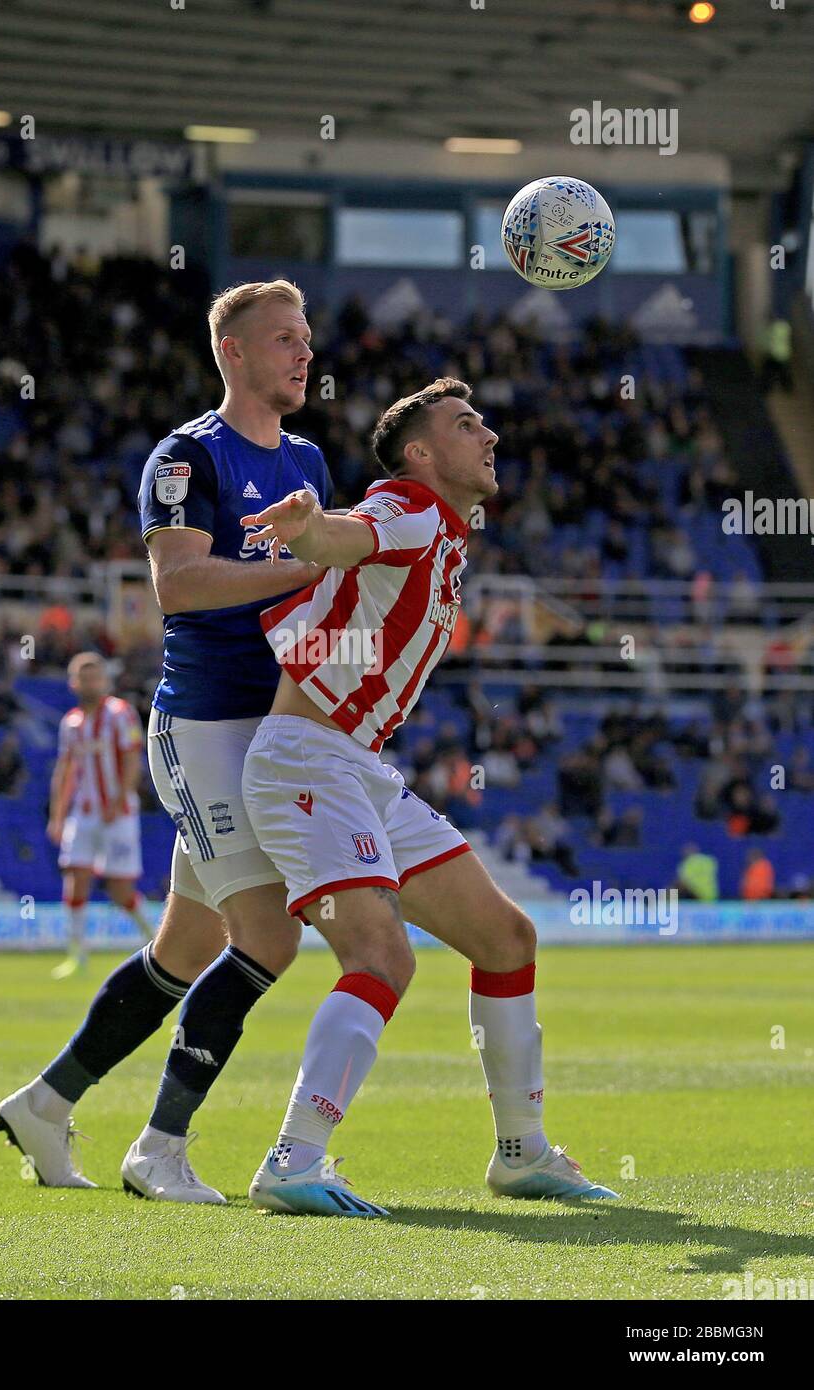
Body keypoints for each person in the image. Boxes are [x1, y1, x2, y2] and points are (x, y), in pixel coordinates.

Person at [239, 378, 618, 1215]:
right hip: (307, 761)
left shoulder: (444, 534)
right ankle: (293, 1159)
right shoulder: (409, 507)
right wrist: (311, 530)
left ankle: (521, 1153)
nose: (489, 436)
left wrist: (321, 537)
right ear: (419, 453)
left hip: (355, 766)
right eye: (465, 424)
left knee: (506, 940)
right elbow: (351, 534)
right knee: (381, 957)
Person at [0, 280, 330, 1194]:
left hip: (273, 731)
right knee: (269, 936)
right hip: (204, 725)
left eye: (305, 338)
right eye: (283, 339)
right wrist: (305, 565)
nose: (304, 354)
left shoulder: (307, 461)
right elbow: (178, 585)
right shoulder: (187, 455)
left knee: (181, 953)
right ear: (232, 351)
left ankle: (44, 1105)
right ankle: (160, 1149)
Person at [45, 652, 154, 979]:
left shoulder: (120, 714)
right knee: (75, 878)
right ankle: (77, 953)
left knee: (120, 890)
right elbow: (65, 770)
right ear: (73, 683)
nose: (89, 683)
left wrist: (118, 800)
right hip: (84, 813)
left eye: (95, 677)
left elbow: (133, 760)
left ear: (104, 681)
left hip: (118, 813)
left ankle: (153, 939)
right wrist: (57, 815)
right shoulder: (71, 723)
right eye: (83, 677)